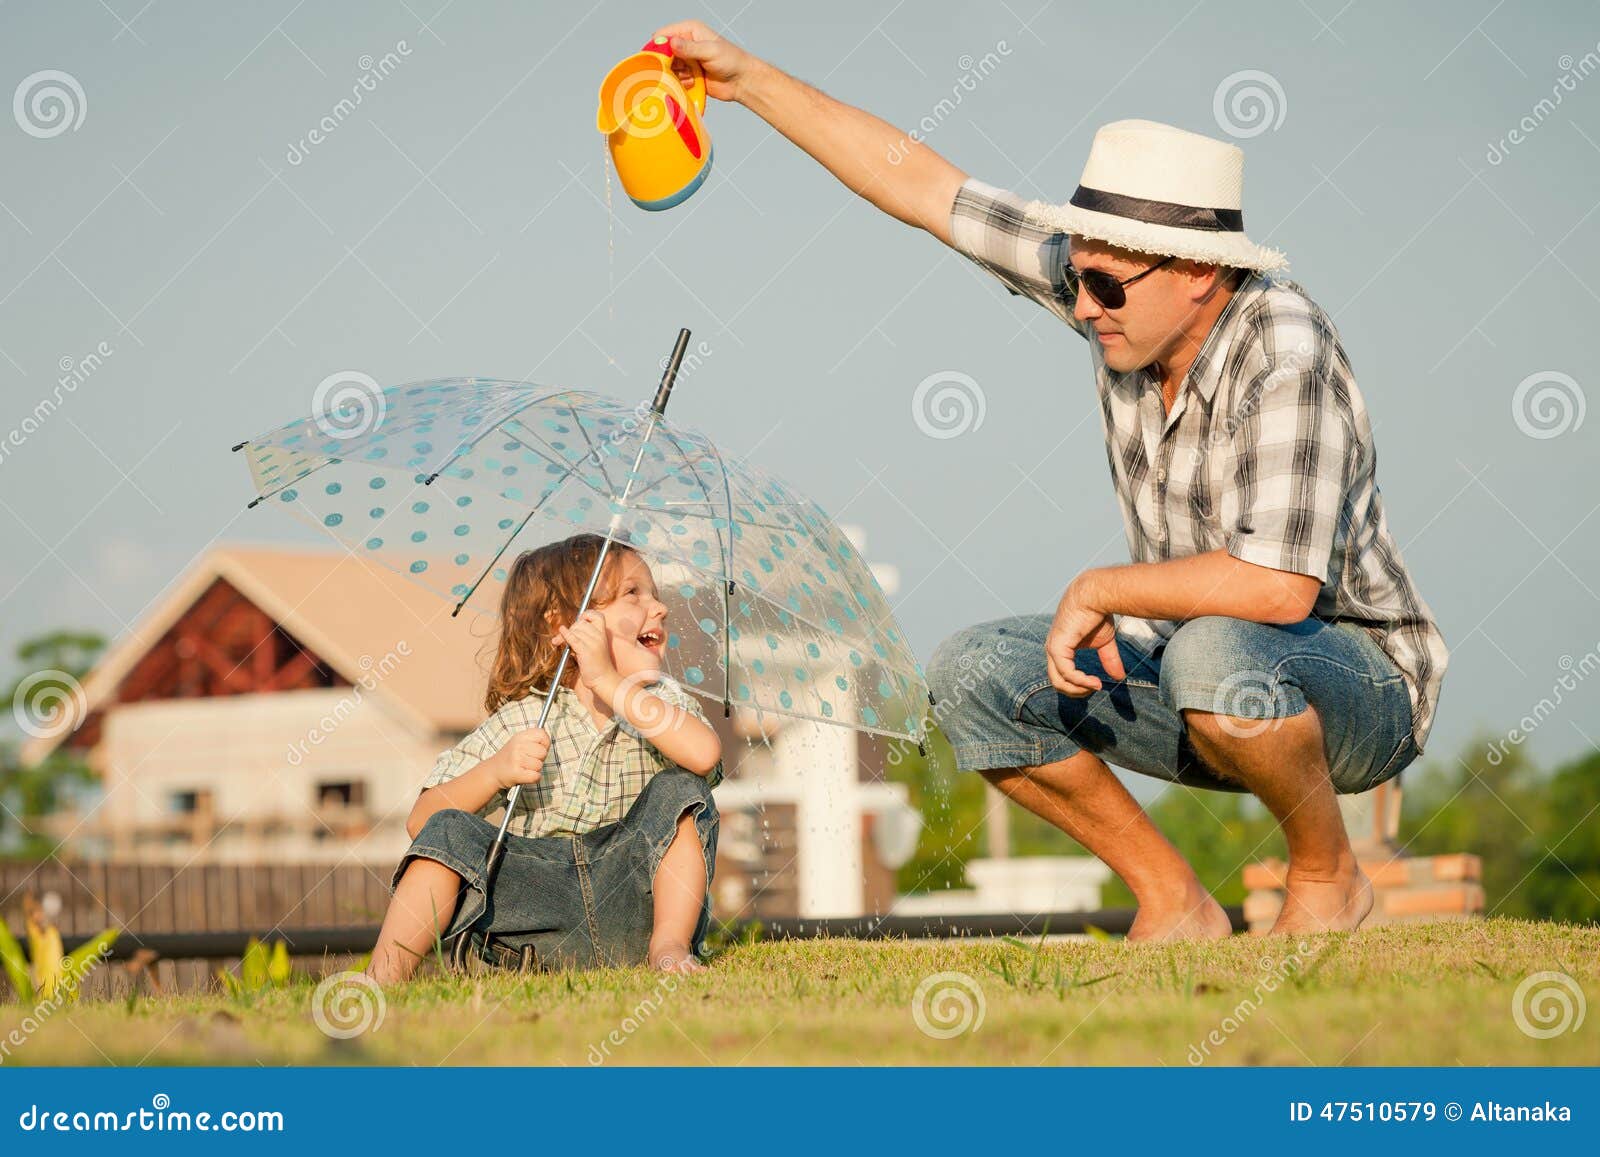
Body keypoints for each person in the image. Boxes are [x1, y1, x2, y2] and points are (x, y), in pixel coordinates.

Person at [654, 20, 1447, 939]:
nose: (1080, 306)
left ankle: (1327, 875)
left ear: (1198, 273)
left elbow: (1276, 585)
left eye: (1106, 287)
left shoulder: (1287, 350)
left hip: (1357, 685)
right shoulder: (1120, 290)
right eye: (1077, 279)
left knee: (1214, 653)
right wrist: (746, 80)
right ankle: (1174, 897)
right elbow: (921, 185)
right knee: (971, 675)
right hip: (1201, 668)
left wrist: (1103, 586)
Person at [366, 532, 722, 981]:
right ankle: (383, 976)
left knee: (682, 789)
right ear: (566, 626)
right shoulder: (526, 718)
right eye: (633, 594)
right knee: (451, 830)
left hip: (634, 901)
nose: (660, 608)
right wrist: (495, 773)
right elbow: (425, 822)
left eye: (655, 595)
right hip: (535, 915)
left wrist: (610, 682)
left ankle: (669, 948)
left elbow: (704, 755)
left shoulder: (659, 704)